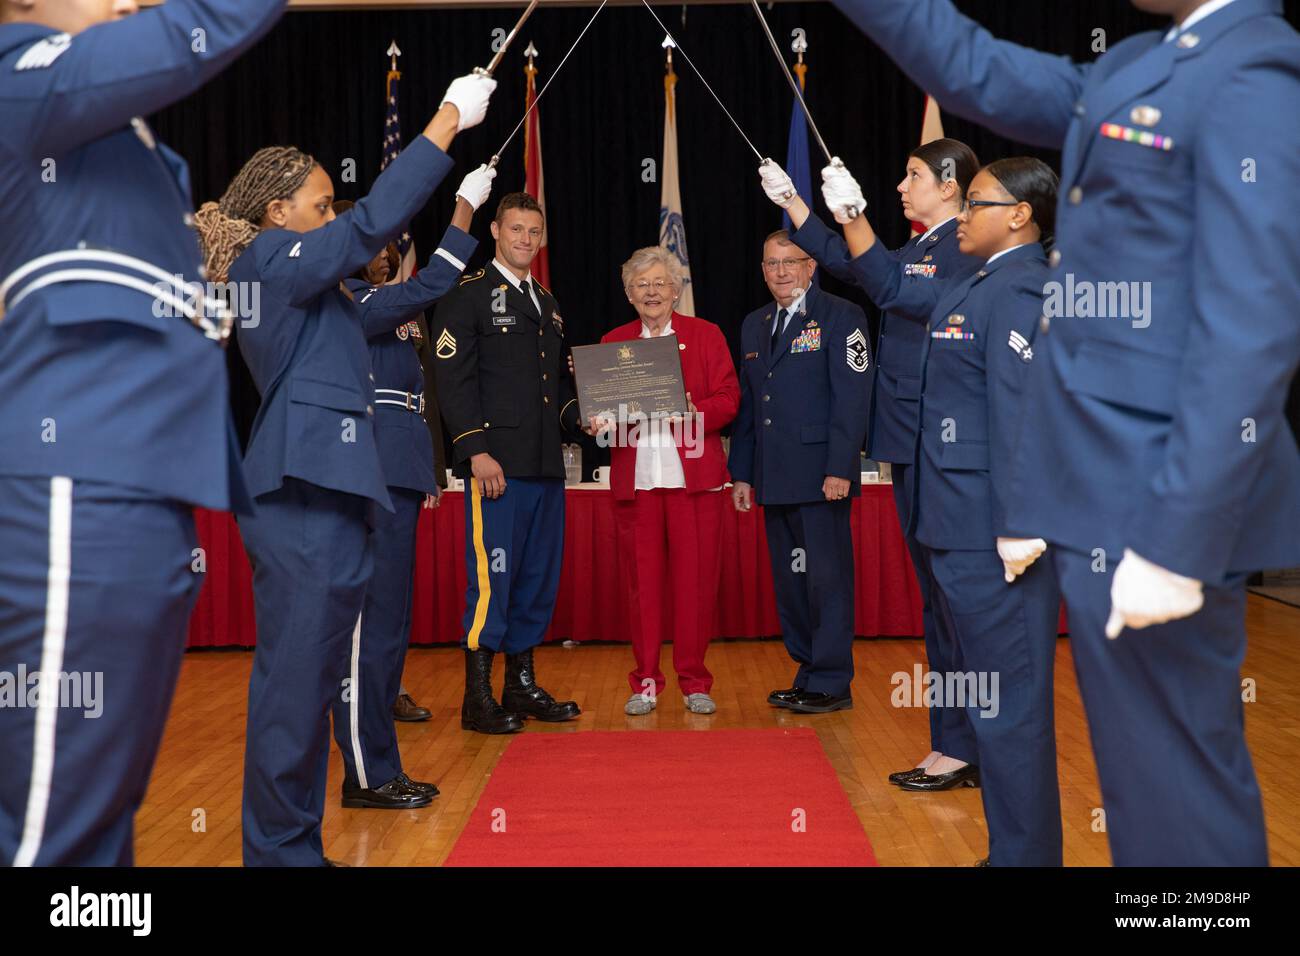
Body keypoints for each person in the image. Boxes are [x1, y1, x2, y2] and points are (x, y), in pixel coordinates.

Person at [832, 0, 1300, 865]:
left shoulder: (1256, 70)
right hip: (1089, 493)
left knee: (1181, 777)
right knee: (1135, 780)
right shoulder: (1134, 66)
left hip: (1163, 500)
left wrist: (1182, 536)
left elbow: (1254, 316)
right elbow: (974, 66)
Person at [0, 0, 285, 867]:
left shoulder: (93, 129)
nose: (132, 1)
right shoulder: (21, 76)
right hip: (76, 478)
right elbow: (194, 27)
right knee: (55, 830)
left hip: (135, 481)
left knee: (99, 810)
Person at [195, 72, 496, 865]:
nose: (331, 215)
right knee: (295, 689)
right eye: (319, 203)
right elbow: (369, 226)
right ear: (276, 212)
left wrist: (463, 214)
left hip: (332, 491)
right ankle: (280, 853)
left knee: (308, 682)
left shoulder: (315, 291)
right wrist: (445, 122)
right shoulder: (268, 261)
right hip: (304, 489)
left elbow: (410, 289)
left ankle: (291, 846)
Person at [835, 155, 1064, 864]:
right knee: (996, 707)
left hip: (994, 536)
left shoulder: (1024, 288)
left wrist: (1022, 522)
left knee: (1011, 712)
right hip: (959, 528)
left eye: (979, 205)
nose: (963, 216)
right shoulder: (984, 283)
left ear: (1020, 215)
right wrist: (841, 219)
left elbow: (1027, 416)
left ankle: (1024, 858)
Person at [758, 140, 984, 788]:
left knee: (954, 607)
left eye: (913, 175)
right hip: (915, 444)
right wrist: (795, 204)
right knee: (938, 608)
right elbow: (847, 261)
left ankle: (966, 746)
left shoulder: (963, 246)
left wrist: (851, 213)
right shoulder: (922, 247)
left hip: (942, 446)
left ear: (949, 184)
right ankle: (953, 743)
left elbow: (878, 279)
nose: (901, 186)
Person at [326, 164, 493, 808]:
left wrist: (424, 473)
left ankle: (377, 762)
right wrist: (462, 211)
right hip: (365, 476)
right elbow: (434, 282)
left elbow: (412, 400)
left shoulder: (373, 305)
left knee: (389, 627)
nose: (376, 248)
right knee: (367, 628)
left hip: (394, 477)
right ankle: (366, 772)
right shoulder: (341, 299)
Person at [433, 191, 584, 735]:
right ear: (495, 230)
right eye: (515, 229)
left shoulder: (547, 299)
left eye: (533, 232)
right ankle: (477, 697)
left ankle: (519, 685)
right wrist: (475, 450)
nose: (525, 239)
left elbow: (558, 387)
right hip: (496, 466)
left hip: (545, 464)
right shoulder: (468, 293)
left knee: (535, 578)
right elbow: (451, 377)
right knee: (492, 579)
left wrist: (584, 417)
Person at [728, 231, 873, 714]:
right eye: (772, 263)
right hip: (773, 476)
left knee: (825, 580)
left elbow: (853, 400)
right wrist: (743, 473)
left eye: (791, 262)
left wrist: (840, 469)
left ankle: (832, 681)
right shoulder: (754, 324)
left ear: (812, 266)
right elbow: (751, 407)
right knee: (791, 582)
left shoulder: (841, 315)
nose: (782, 272)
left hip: (821, 477)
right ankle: (808, 669)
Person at [593, 247, 740, 716]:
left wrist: (696, 412)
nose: (652, 292)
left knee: (696, 587)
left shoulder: (706, 335)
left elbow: (730, 397)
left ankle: (695, 681)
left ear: (676, 290)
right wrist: (598, 420)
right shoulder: (614, 340)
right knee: (642, 589)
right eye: (642, 285)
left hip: (693, 482)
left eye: (660, 283)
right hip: (637, 483)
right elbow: (605, 410)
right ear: (629, 294)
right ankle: (646, 683)